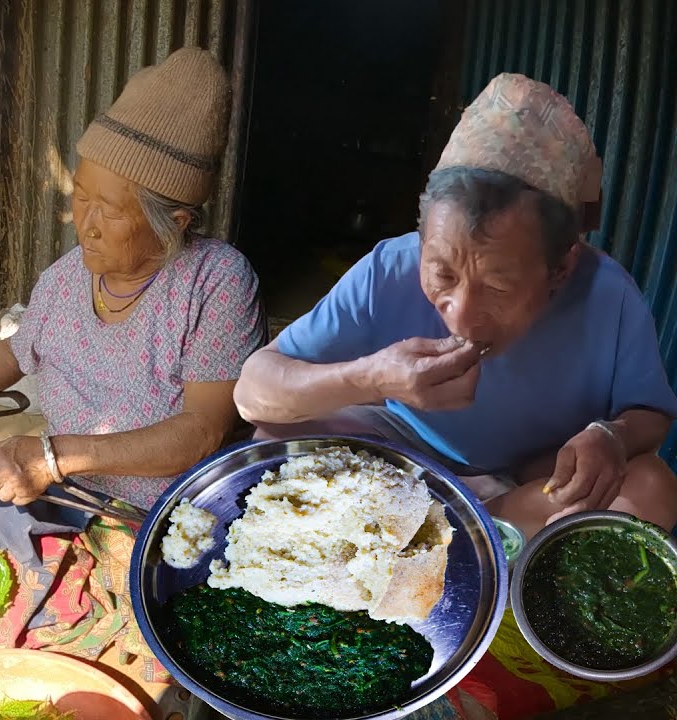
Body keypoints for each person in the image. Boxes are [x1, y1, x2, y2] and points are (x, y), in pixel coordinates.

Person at [0, 48, 264, 680]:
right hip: (72, 494)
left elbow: (201, 433)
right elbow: (15, 350)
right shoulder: (65, 279)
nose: (84, 225)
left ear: (175, 222)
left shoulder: (216, 282)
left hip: (168, 515)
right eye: (81, 198)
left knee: (176, 645)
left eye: (109, 210)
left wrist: (51, 456)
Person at [234, 73, 677, 541]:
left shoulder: (609, 296)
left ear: (560, 270)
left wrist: (614, 436)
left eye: (498, 286)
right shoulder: (389, 268)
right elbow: (251, 395)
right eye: (442, 274)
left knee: (649, 486)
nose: (460, 315)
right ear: (422, 241)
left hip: (522, 490)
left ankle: (457, 543)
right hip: (391, 464)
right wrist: (370, 378)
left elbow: (649, 415)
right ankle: (449, 543)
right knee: (276, 434)